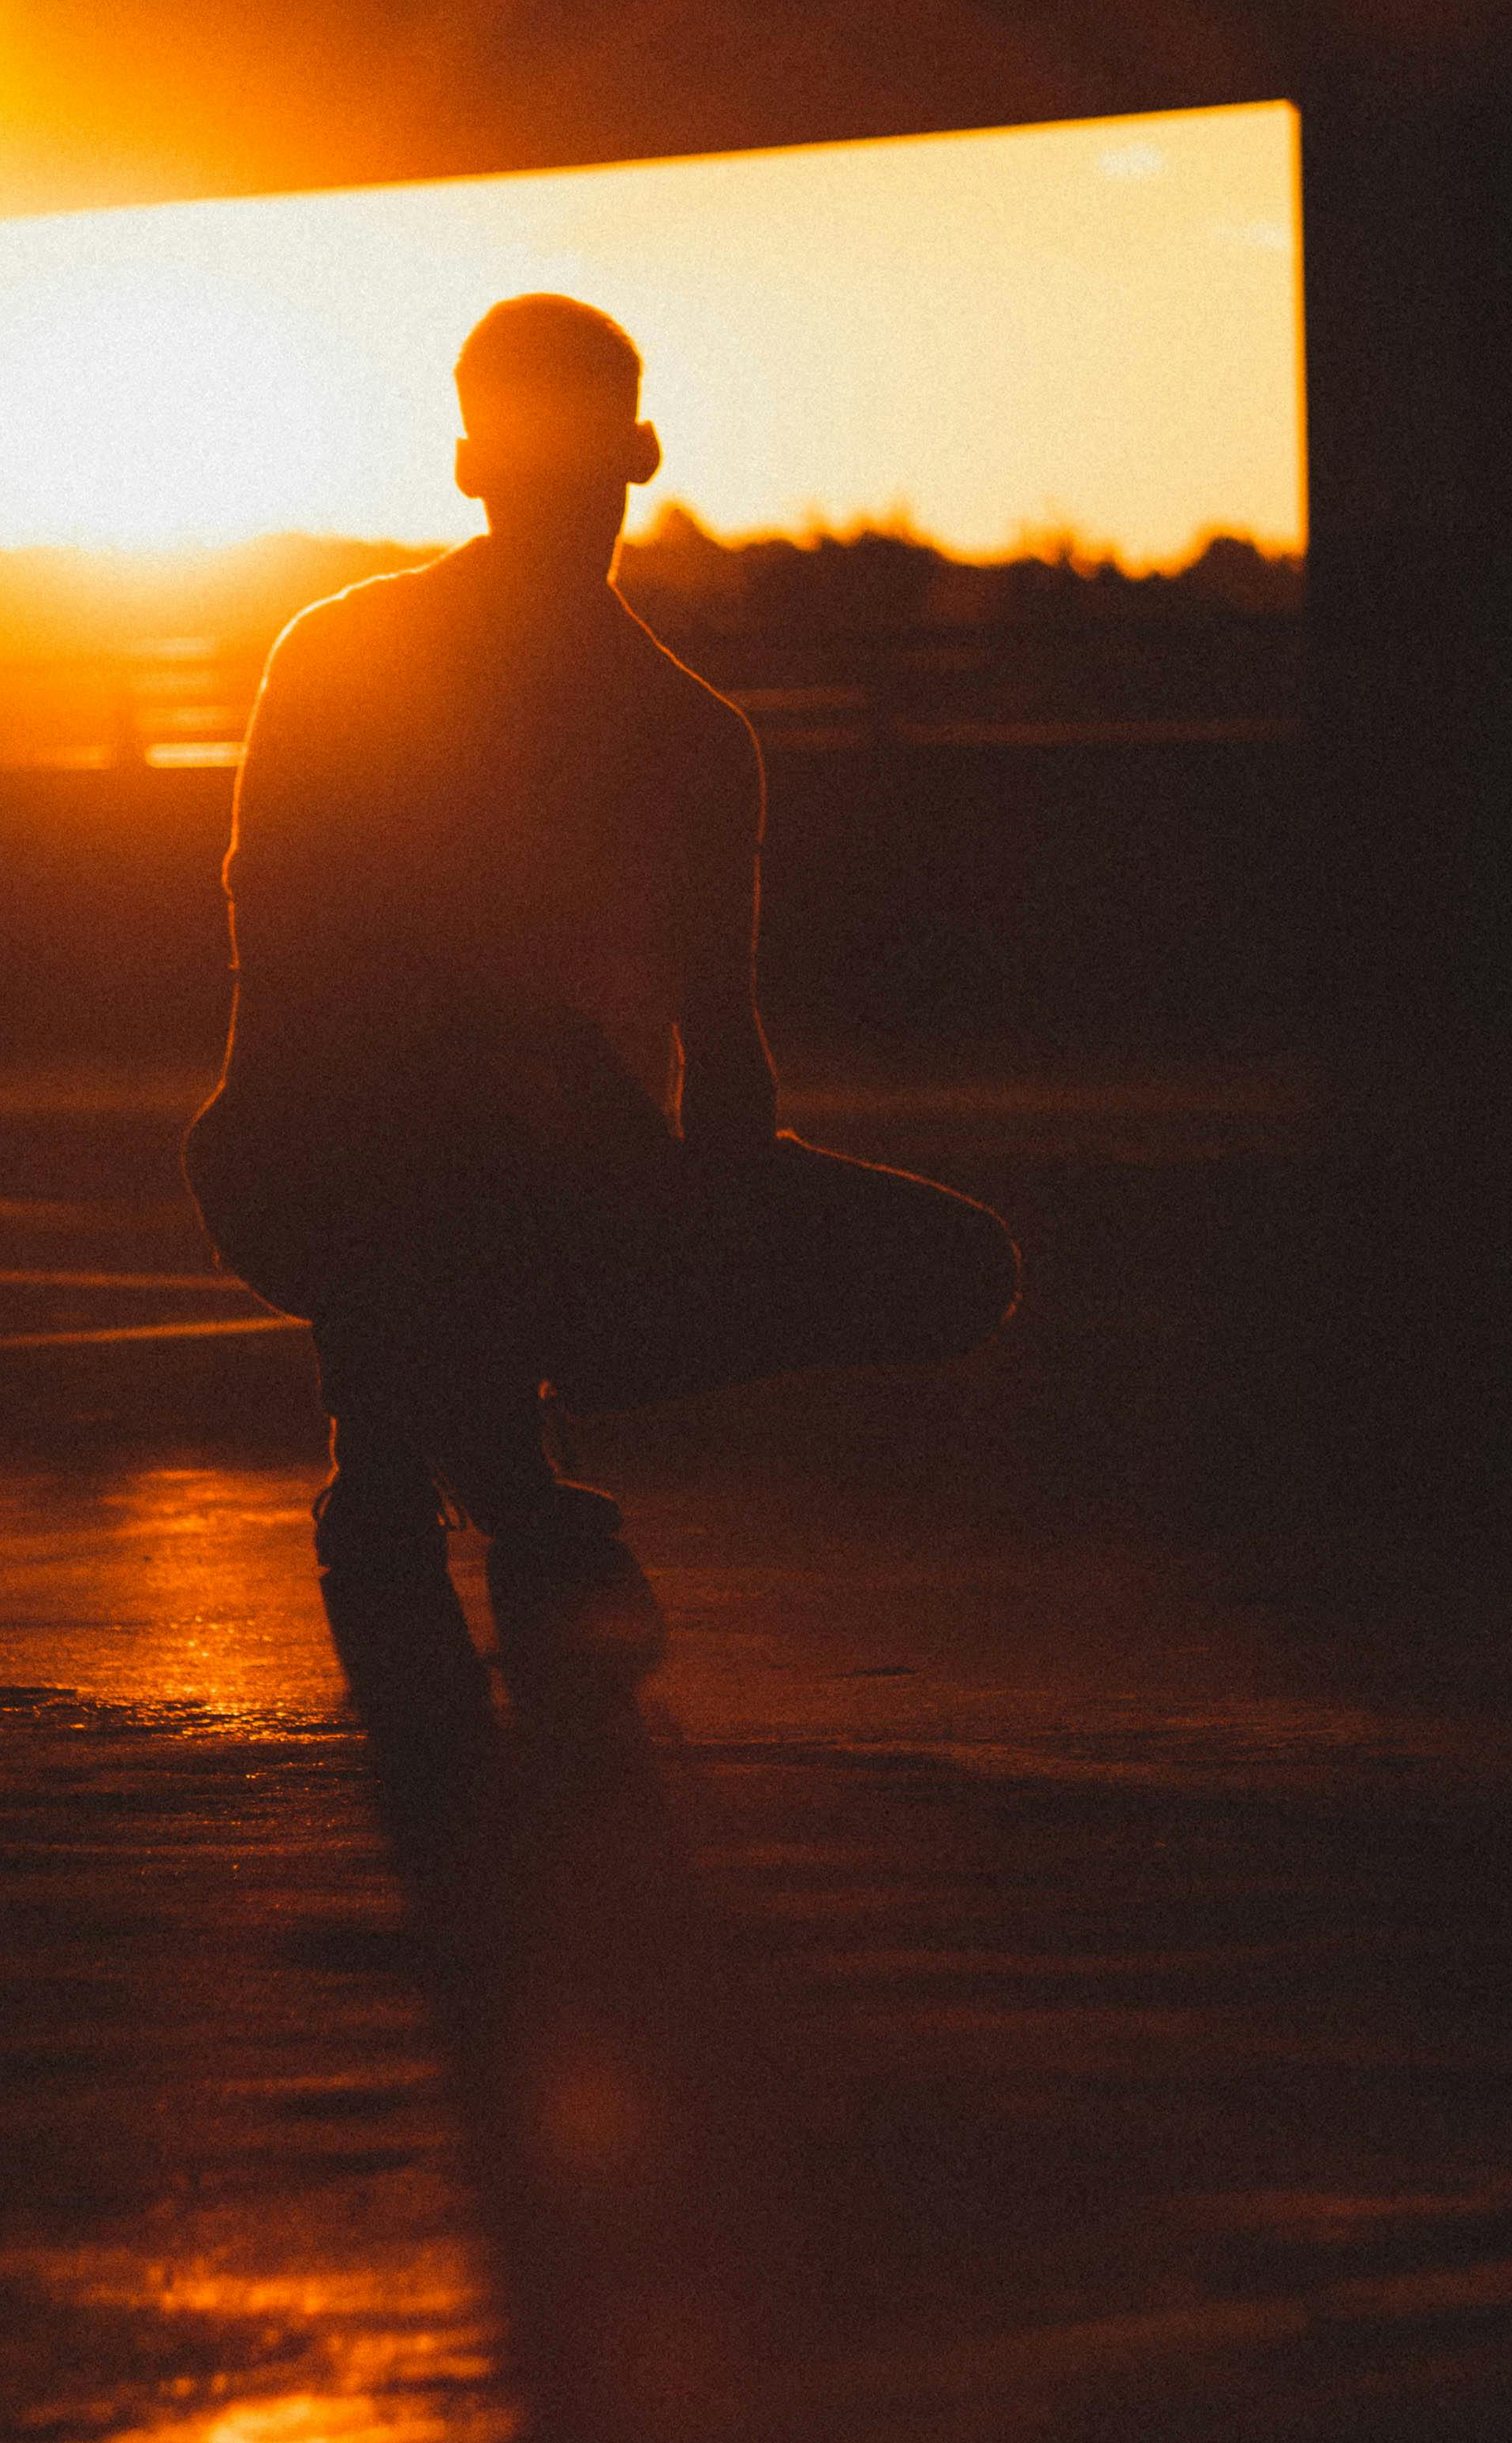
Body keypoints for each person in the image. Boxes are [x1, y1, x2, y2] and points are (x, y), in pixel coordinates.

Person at [184, 293, 1018, 1677]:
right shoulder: (683, 736)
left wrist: (659, 1176)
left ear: (470, 465)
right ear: (644, 453)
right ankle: (481, 1467)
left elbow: (275, 965)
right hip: (375, 1165)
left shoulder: (358, 661)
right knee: (439, 1146)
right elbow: (721, 1080)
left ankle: (430, 1451)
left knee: (953, 1263)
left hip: (438, 1179)